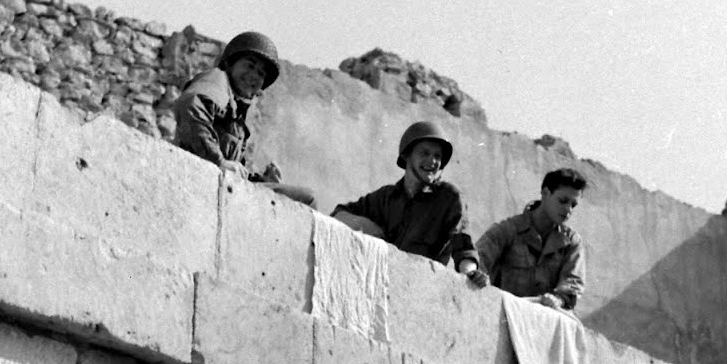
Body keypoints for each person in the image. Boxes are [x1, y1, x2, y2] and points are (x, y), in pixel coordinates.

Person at [331, 120, 487, 283]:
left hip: (420, 288)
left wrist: (470, 273)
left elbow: (463, 246)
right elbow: (339, 213)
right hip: (380, 282)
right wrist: (369, 227)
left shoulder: (449, 198)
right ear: (406, 156)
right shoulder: (385, 197)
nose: (433, 161)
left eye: (437, 156)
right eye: (424, 153)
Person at [174, 30, 314, 205]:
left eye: (261, 74)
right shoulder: (218, 80)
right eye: (249, 65)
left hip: (221, 187)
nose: (254, 75)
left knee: (301, 199)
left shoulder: (236, 107)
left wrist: (263, 179)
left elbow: (235, 166)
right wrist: (218, 160)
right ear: (230, 63)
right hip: (195, 178)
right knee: (308, 199)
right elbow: (190, 105)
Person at [475, 167, 588, 309]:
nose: (568, 210)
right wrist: (479, 276)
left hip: (543, 318)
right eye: (563, 201)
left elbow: (572, 283)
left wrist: (558, 299)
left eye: (573, 205)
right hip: (504, 313)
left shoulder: (571, 242)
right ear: (545, 193)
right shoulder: (509, 229)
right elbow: (478, 258)